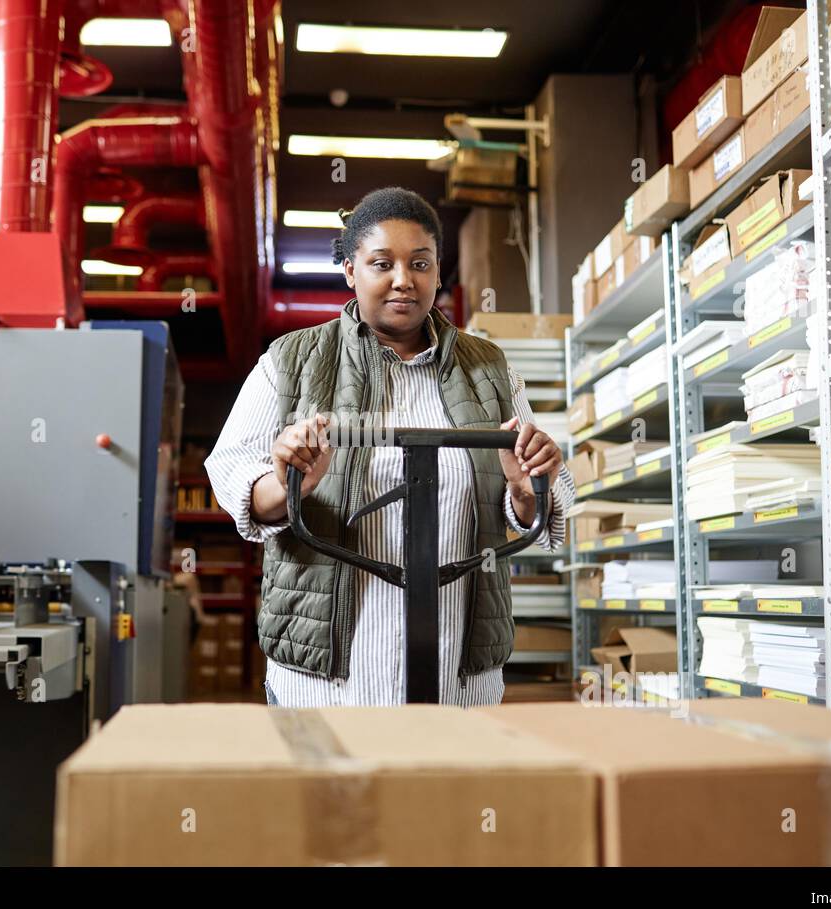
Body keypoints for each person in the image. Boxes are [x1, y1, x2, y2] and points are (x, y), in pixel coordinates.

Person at [206, 186, 575, 707]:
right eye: (382, 263)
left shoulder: (490, 369)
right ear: (351, 270)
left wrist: (526, 487)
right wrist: (287, 481)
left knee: (443, 788)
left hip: (455, 674)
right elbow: (231, 471)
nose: (403, 279)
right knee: (332, 790)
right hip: (327, 680)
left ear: (438, 274)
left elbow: (540, 501)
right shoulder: (291, 361)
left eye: (420, 263)